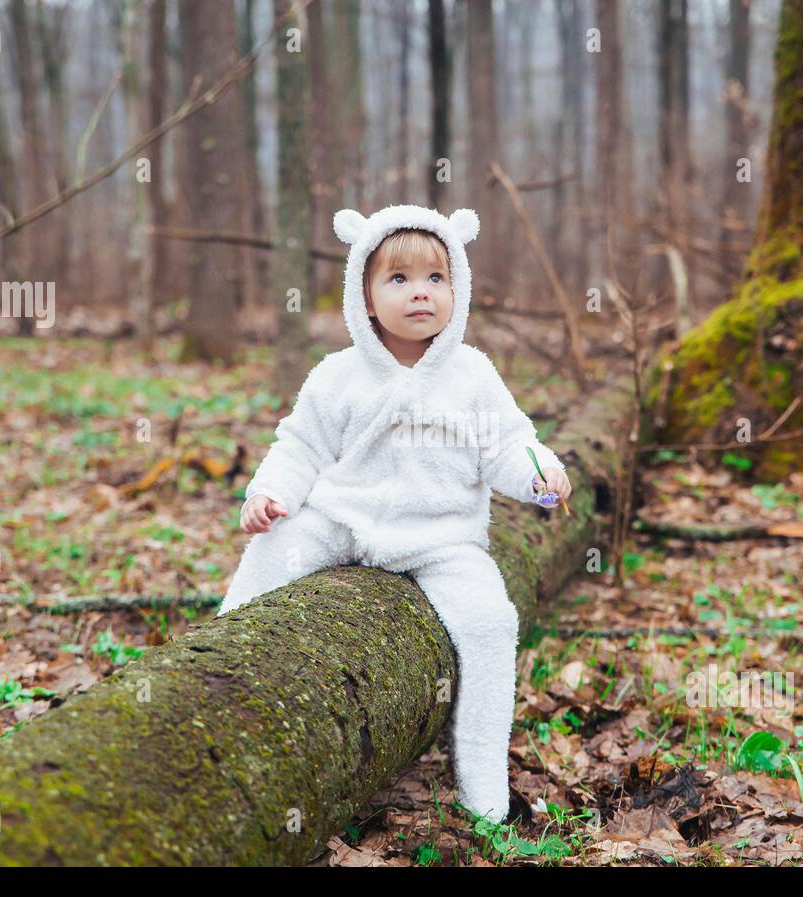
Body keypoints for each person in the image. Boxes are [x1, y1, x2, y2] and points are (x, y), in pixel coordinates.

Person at [218, 204, 572, 824]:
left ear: (457, 290)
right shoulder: (337, 375)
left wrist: (540, 475)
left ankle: (485, 788)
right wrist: (267, 494)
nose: (420, 294)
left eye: (436, 279)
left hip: (442, 537)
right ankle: (217, 664)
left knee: (492, 622)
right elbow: (300, 445)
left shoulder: (472, 374)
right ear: (366, 295)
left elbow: (507, 445)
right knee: (273, 549)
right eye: (399, 279)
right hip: (343, 518)